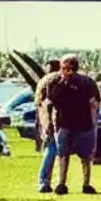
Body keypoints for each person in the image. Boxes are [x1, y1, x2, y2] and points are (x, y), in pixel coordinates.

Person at [45, 53, 101, 195]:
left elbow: (94, 103)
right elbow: (51, 102)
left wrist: (94, 124)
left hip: (84, 124)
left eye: (68, 68)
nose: (65, 71)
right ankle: (61, 183)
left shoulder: (86, 82)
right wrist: (49, 123)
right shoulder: (56, 82)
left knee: (86, 156)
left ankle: (86, 183)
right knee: (63, 154)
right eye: (62, 68)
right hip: (64, 124)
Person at [34, 59, 61, 192]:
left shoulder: (43, 82)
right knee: (52, 150)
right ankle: (43, 180)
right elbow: (49, 104)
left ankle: (47, 181)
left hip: (43, 120)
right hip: (51, 121)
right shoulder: (53, 81)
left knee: (51, 150)